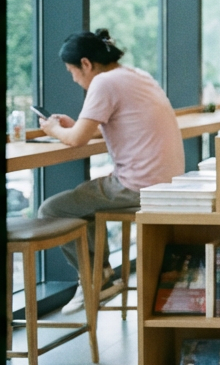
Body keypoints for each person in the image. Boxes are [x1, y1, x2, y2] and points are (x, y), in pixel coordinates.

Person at [38, 29, 185, 313]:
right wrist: (75, 126)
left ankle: (96, 278)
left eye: (72, 71)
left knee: (52, 209)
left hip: (137, 185)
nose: (73, 79)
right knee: (85, 202)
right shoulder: (136, 75)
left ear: (86, 64)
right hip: (167, 181)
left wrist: (53, 129)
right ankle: (101, 274)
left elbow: (76, 140)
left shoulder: (104, 82)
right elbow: (108, 127)